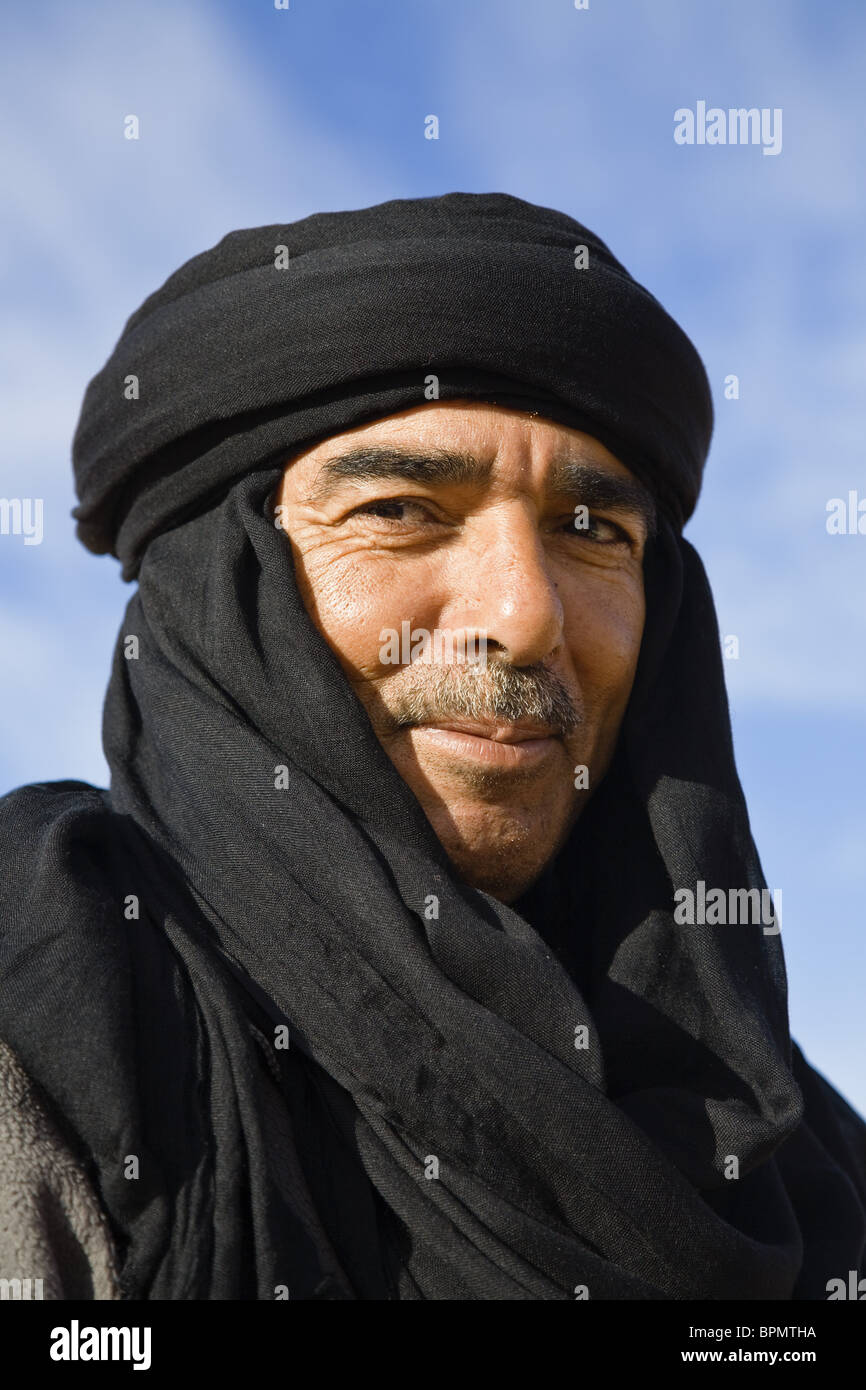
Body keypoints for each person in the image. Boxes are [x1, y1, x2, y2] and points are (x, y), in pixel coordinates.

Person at [1, 192, 864, 1301]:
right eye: (402, 510)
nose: (526, 613)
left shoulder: (785, 1149)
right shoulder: (53, 1029)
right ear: (218, 588)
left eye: (592, 531)